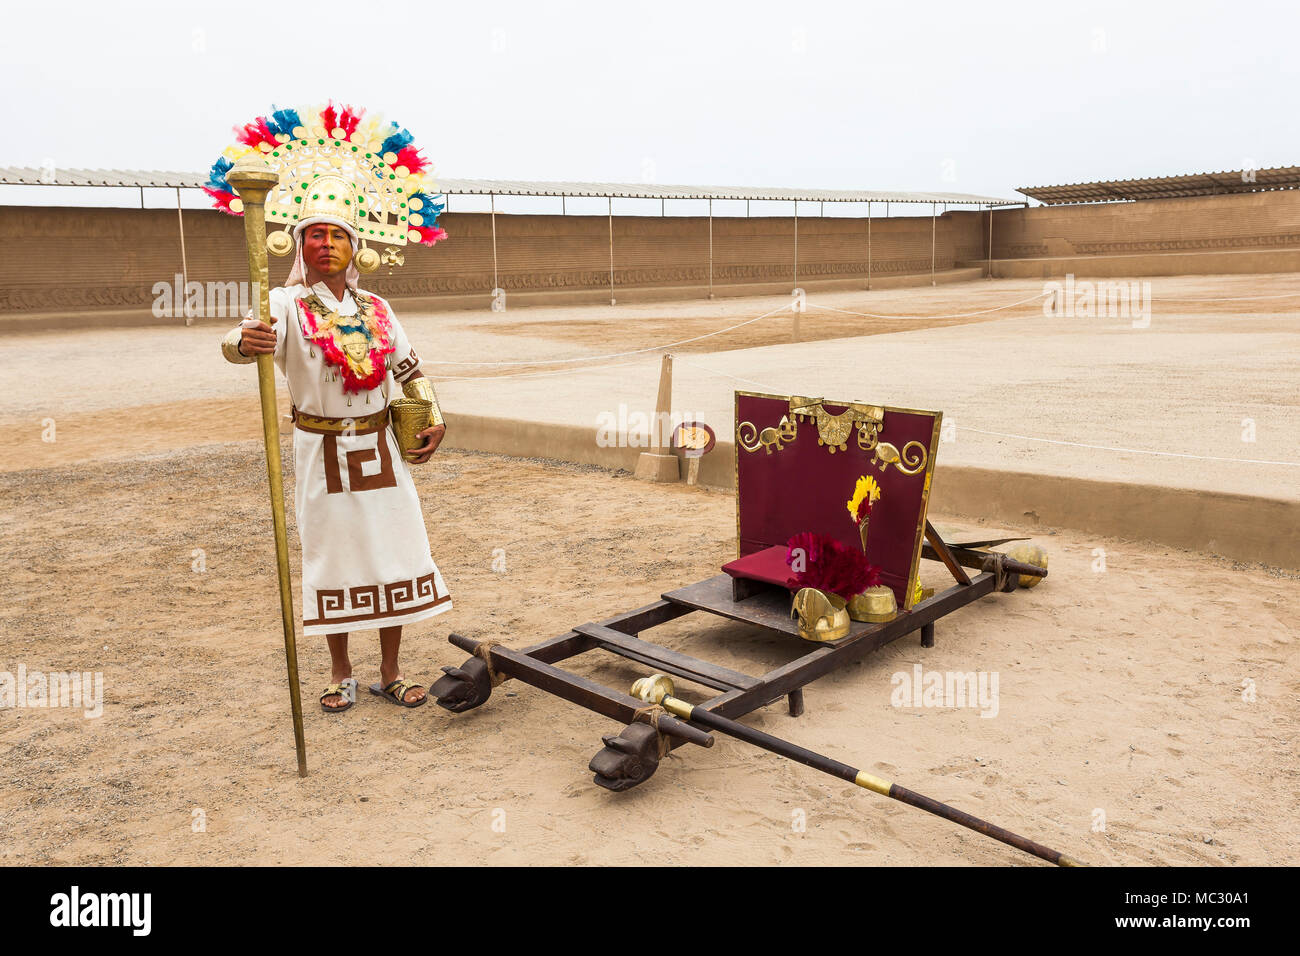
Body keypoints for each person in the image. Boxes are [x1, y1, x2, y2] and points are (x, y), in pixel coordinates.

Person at [220, 174, 451, 713]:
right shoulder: (282, 303)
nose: (327, 244)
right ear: (299, 245)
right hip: (320, 452)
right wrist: (242, 341)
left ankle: (391, 671)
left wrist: (432, 415)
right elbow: (238, 340)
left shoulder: (379, 309)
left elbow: (409, 371)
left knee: (393, 549)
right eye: (315, 234)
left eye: (338, 235)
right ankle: (341, 672)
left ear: (354, 247)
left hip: (381, 450)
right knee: (333, 554)